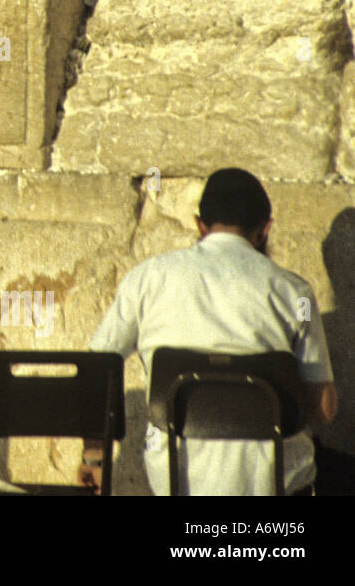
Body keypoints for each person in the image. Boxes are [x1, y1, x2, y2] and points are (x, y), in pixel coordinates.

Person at [80, 167, 338, 495]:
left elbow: (95, 373)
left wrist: (95, 458)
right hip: (276, 484)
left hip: (177, 482)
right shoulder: (296, 294)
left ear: (199, 225)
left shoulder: (146, 279)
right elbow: (323, 408)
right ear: (265, 229)